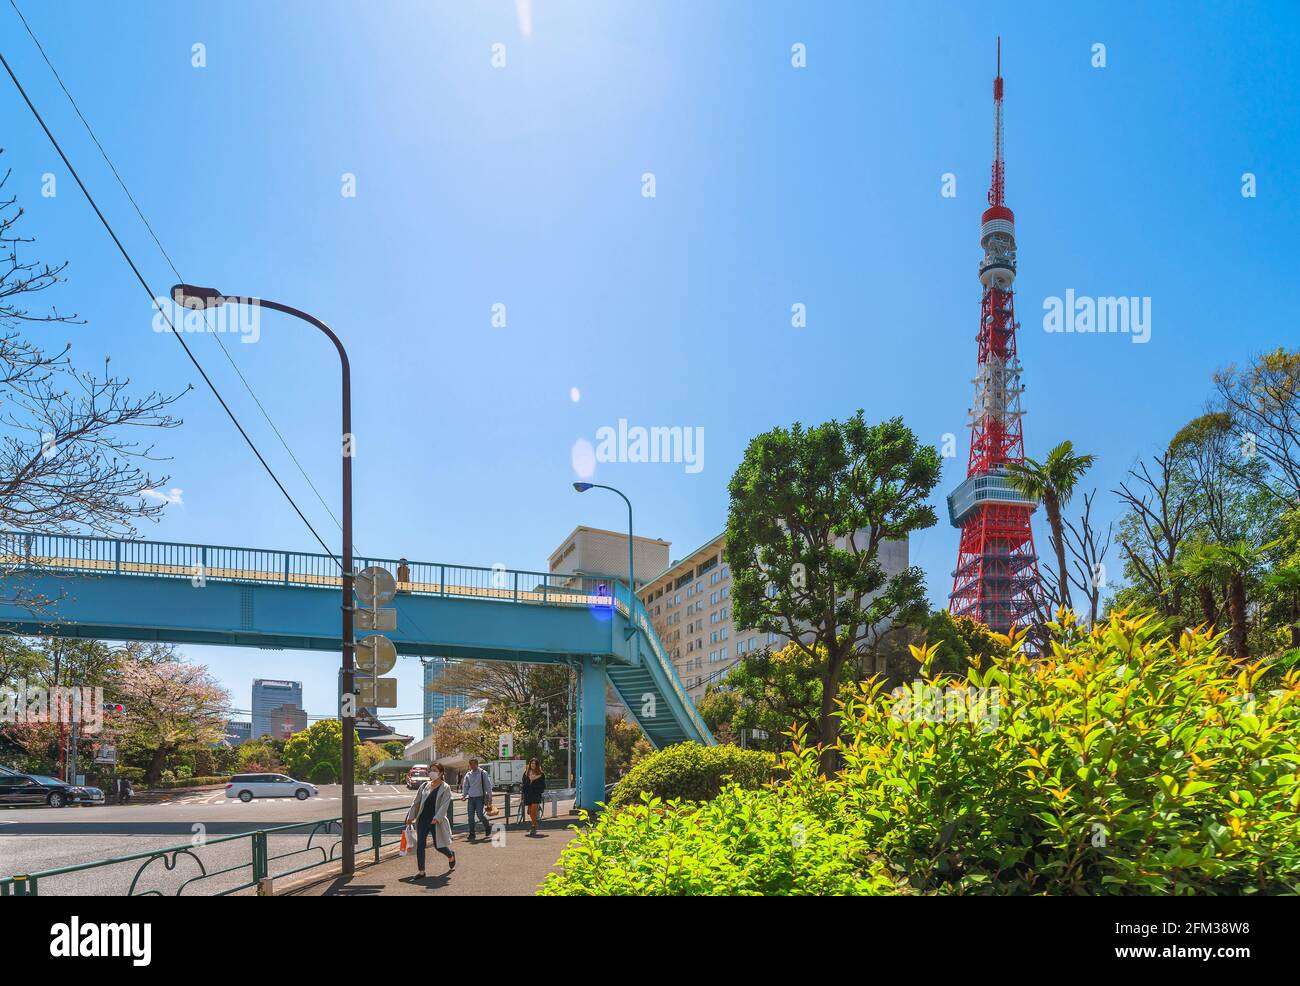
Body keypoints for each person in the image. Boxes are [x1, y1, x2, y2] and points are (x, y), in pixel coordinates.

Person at [405, 762, 456, 878]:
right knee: (420, 845)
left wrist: (437, 818)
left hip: (435, 820)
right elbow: (416, 802)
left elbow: (444, 805)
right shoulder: (424, 786)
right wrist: (410, 817)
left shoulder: (445, 787)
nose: (431, 772)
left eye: (435, 770)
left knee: (438, 845)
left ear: (441, 773)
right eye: (431, 770)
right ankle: (421, 871)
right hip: (422, 819)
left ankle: (450, 855)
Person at [460, 758, 494, 841]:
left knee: (480, 815)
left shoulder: (483, 773)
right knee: (470, 817)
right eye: (470, 764)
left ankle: (487, 826)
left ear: (477, 764)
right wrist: (464, 795)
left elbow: (488, 785)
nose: (472, 766)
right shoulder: (468, 774)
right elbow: (466, 786)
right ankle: (472, 834)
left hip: (480, 797)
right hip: (471, 798)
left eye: (473, 764)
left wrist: (490, 797)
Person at [521, 757, 545, 836]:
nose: (533, 765)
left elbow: (543, 785)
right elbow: (523, 784)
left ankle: (534, 826)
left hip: (536, 794)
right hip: (528, 794)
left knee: (533, 811)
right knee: (530, 812)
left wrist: (538, 790)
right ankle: (535, 824)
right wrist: (528, 784)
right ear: (530, 764)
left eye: (534, 764)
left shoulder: (541, 774)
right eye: (531, 763)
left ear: (537, 765)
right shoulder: (526, 773)